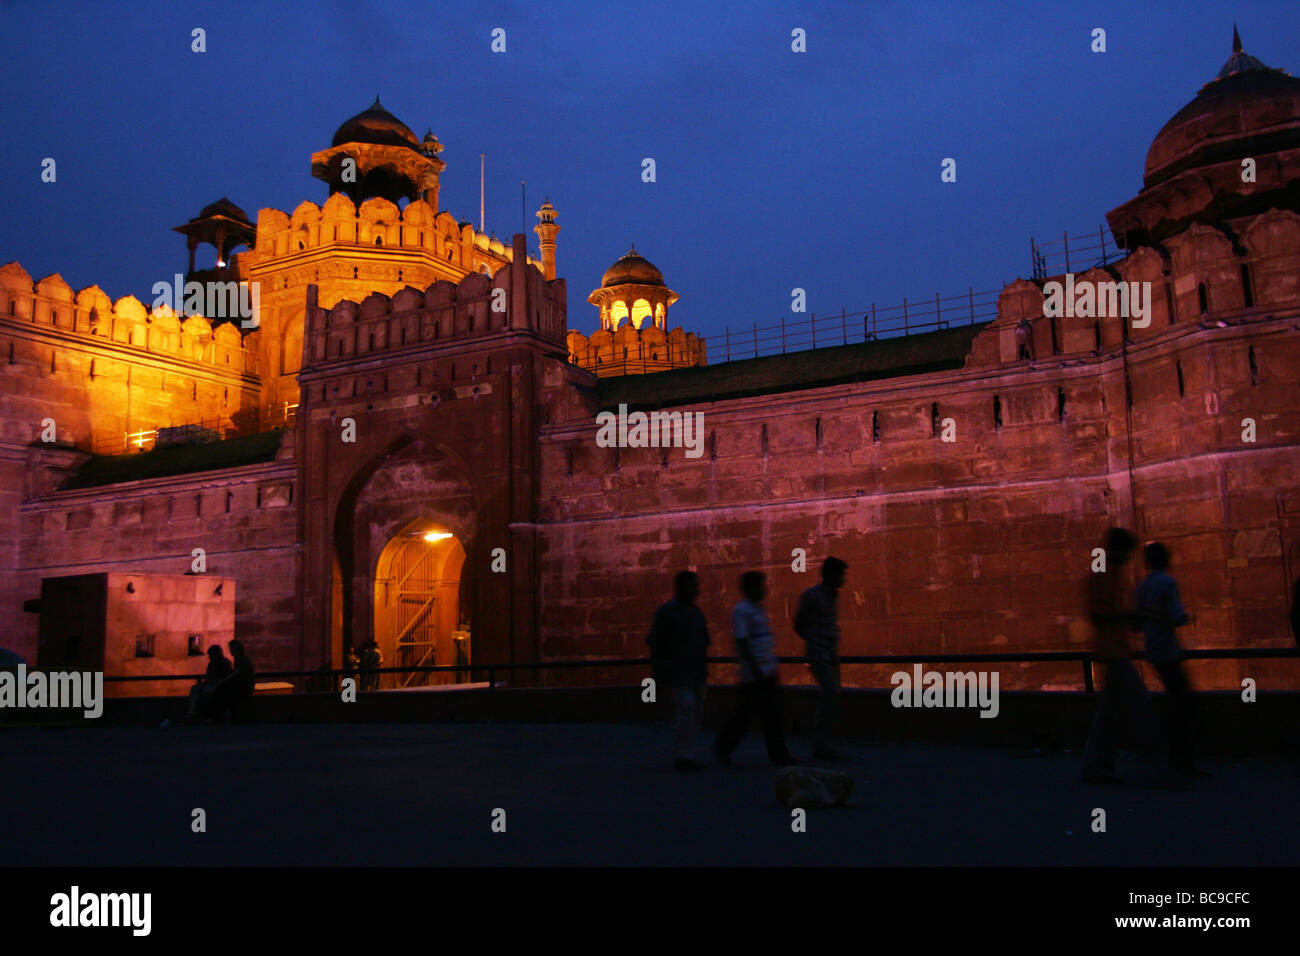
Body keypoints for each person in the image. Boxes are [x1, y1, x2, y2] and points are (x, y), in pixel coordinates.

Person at [1080, 528, 1170, 786]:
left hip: (1115, 651)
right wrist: (1133, 617)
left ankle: (1096, 768)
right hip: (1112, 653)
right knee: (1142, 711)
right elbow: (1098, 615)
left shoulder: (1111, 576)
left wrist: (1132, 618)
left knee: (1108, 718)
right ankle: (1162, 767)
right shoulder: (1101, 577)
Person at [714, 571, 798, 767]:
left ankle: (777, 754)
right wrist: (756, 670)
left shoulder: (757, 608)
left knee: (767, 715)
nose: (763, 589)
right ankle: (724, 747)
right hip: (755, 674)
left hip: (765, 669)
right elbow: (742, 642)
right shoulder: (742, 610)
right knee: (749, 716)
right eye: (759, 585)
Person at [1136, 542, 1202, 778]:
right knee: (1183, 705)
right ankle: (1182, 762)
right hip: (1168, 649)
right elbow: (1176, 616)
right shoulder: (1166, 583)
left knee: (1174, 703)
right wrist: (1186, 618)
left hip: (1152, 649)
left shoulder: (1143, 586)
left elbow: (1136, 622)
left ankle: (1173, 759)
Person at [647, 571, 711, 772]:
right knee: (687, 709)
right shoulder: (670, 612)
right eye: (693, 586)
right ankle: (684, 756)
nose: (696, 590)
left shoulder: (693, 612)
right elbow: (657, 643)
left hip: (693, 671)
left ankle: (686, 753)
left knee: (692, 713)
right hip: (679, 671)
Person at [795, 557, 848, 760]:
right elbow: (799, 624)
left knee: (831, 697)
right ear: (830, 575)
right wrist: (815, 642)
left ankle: (825, 742)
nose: (843, 579)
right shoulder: (812, 596)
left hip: (830, 653)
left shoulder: (833, 596)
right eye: (840, 574)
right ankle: (823, 744)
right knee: (831, 694)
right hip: (819, 653)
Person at [209, 639, 255, 722]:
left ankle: (219, 717)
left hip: (244, 687)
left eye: (231, 648)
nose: (230, 651)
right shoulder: (241, 660)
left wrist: (219, 683)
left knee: (221, 692)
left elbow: (234, 675)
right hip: (244, 686)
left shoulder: (242, 661)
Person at [185, 645, 233, 722]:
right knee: (194, 689)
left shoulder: (225, 663)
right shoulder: (211, 664)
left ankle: (201, 715)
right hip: (210, 684)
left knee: (205, 692)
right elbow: (208, 677)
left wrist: (211, 682)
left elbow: (224, 679)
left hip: (219, 685)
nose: (210, 657)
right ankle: (191, 713)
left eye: (211, 655)